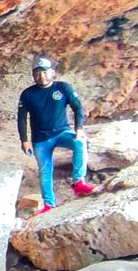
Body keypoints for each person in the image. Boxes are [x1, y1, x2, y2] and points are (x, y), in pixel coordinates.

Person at [17, 57, 95, 215]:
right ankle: (48, 205)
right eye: (37, 74)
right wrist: (24, 140)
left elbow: (78, 108)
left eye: (45, 72)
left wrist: (79, 129)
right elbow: (21, 118)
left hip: (62, 132)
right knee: (45, 170)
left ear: (52, 72)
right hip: (40, 139)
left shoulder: (63, 88)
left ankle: (78, 182)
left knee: (80, 143)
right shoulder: (28, 94)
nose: (42, 77)